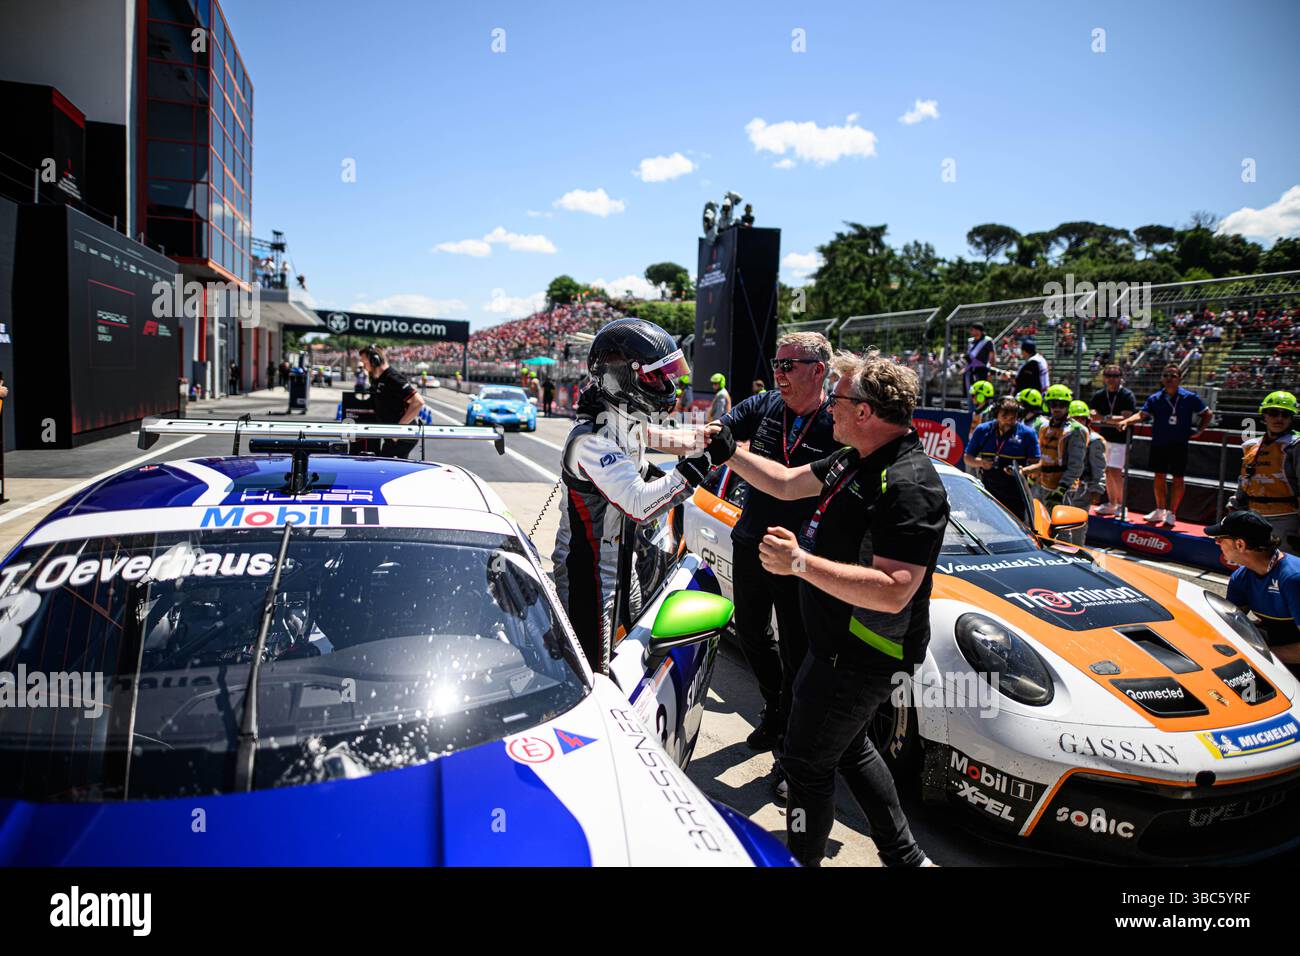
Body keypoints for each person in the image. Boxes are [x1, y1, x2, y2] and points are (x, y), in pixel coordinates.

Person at [721, 352, 944, 868]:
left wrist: (799, 563)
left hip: (862, 652)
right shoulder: (854, 457)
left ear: (864, 412)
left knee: (804, 763)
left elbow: (894, 590)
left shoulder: (908, 484)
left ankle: (801, 860)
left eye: (839, 401)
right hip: (833, 643)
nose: (831, 411)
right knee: (848, 749)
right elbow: (782, 482)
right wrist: (727, 451)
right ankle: (906, 858)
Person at [552, 318, 732, 672]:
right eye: (655, 376)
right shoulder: (592, 440)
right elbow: (639, 505)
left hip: (620, 559)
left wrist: (705, 438)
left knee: (629, 645)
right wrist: (703, 462)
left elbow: (658, 437)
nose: (666, 384)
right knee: (591, 671)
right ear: (622, 375)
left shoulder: (621, 416)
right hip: (586, 571)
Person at [714, 332, 836, 787]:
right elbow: (725, 430)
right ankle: (775, 710)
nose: (780, 373)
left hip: (802, 557)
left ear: (818, 370)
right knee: (749, 633)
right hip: (750, 543)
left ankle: (791, 754)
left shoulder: (835, 421)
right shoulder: (765, 405)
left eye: (790, 365)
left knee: (799, 654)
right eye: (777, 363)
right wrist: (713, 436)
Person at [1206, 510, 1300, 674]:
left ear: (1240, 544)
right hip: (1286, 643)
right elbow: (1227, 628)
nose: (1217, 543)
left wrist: (1261, 655)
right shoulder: (1240, 577)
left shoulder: (1293, 579)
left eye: (1220, 538)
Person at [1118, 364, 1212, 528]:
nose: (1169, 378)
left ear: (1180, 379)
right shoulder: (1155, 398)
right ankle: (1160, 510)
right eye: (1166, 375)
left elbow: (1207, 413)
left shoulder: (1189, 397)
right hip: (1159, 443)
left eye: (1173, 375)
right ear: (1162, 378)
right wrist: (1126, 421)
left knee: (1178, 478)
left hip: (1179, 444)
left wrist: (1199, 431)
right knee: (1159, 477)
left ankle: (1171, 513)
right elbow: (1142, 414)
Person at [1229, 391, 1298, 553]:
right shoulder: (1251, 446)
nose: (1279, 418)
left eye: (1285, 414)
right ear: (1264, 416)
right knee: (1252, 565)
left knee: (1283, 569)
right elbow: (1245, 480)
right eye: (1273, 413)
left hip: (1286, 519)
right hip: (1253, 517)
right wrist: (1234, 507)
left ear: (1291, 418)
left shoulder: (1295, 446)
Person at [963, 397, 1040, 522]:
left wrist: (1022, 471)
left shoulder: (1028, 433)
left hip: (1016, 494)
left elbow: (1038, 465)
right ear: (996, 414)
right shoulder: (982, 430)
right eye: (1005, 417)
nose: (1009, 421)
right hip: (988, 491)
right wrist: (981, 463)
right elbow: (967, 458)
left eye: (1013, 418)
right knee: (987, 526)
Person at [1022, 385, 1087, 514]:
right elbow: (1039, 456)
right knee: (1035, 522)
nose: (1057, 408)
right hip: (1040, 484)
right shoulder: (1042, 426)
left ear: (1068, 405)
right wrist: (1032, 478)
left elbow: (1076, 465)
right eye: (1053, 404)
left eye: (1061, 404)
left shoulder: (1076, 430)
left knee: (1060, 527)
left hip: (1062, 488)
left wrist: (1062, 489)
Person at [358, 345, 425, 458]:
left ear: (375, 361)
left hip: (401, 438)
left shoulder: (392, 378)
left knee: (384, 468)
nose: (364, 367)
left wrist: (398, 430)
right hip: (392, 436)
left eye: (365, 363)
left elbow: (418, 402)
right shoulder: (378, 379)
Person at [1088, 365, 1137, 516]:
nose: (1111, 378)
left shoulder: (1126, 395)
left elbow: (1126, 417)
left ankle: (1122, 506)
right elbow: (1092, 413)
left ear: (1121, 377)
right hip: (1104, 438)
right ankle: (1112, 503)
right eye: (1108, 375)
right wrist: (1110, 419)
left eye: (1115, 375)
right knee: (1107, 471)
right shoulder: (1100, 395)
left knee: (1116, 472)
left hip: (1121, 439)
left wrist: (1103, 418)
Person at [1061, 400, 1107, 544]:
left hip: (1083, 490)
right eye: (1075, 418)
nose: (1079, 422)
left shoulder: (1094, 441)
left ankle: (1077, 554)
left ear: (1088, 420)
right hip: (1066, 486)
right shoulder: (1065, 435)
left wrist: (1097, 489)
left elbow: (1099, 467)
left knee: (1077, 526)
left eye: (1082, 418)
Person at [964, 322, 994, 392]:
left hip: (983, 370)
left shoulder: (987, 341)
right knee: (971, 392)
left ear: (978, 331)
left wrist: (990, 372)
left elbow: (992, 357)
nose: (971, 331)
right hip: (971, 370)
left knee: (981, 391)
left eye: (972, 330)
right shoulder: (971, 341)